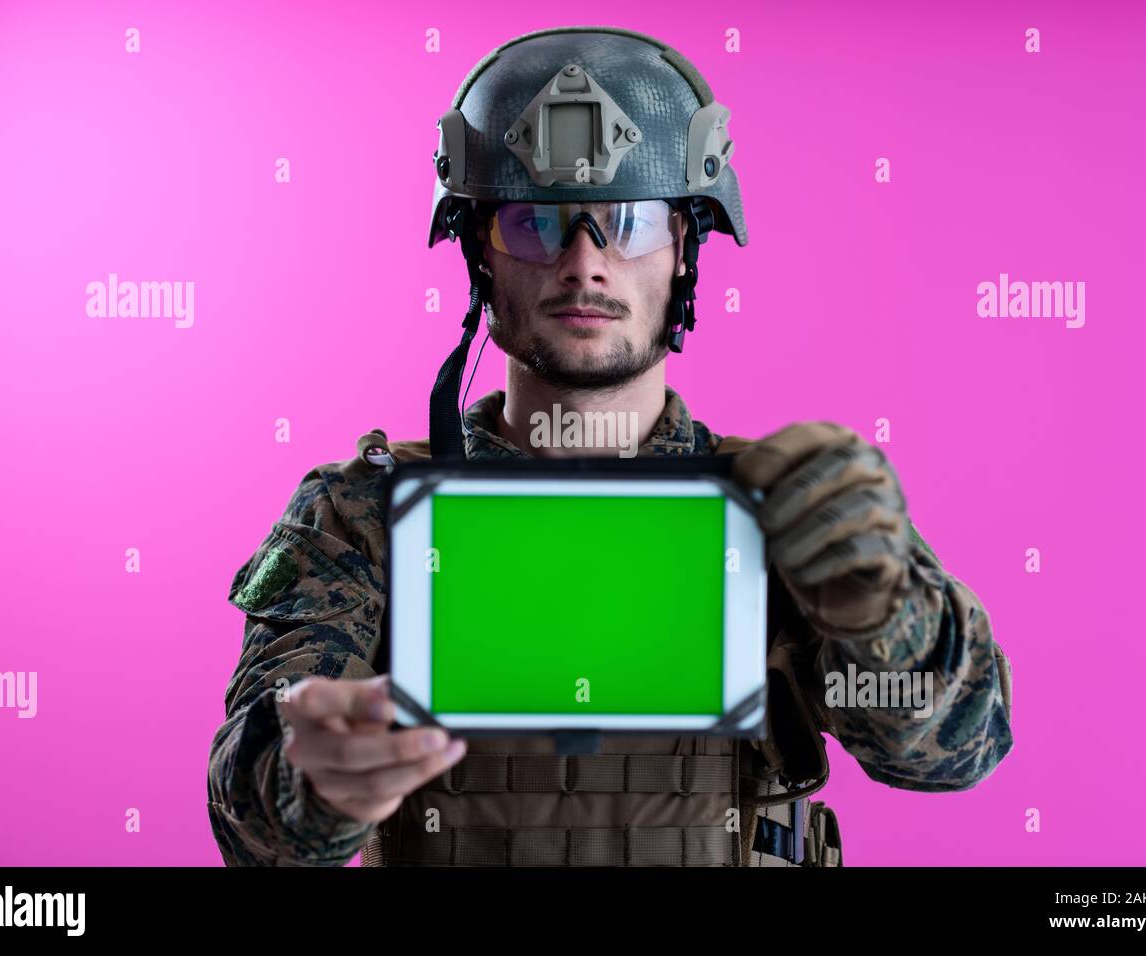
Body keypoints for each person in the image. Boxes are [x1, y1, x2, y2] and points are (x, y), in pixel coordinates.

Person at [207, 26, 1012, 867]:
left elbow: (954, 752)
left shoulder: (793, 509)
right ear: (481, 255)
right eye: (535, 223)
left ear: (685, 255)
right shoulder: (363, 512)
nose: (585, 264)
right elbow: (251, 826)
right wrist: (317, 785)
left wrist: (882, 612)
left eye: (628, 222)